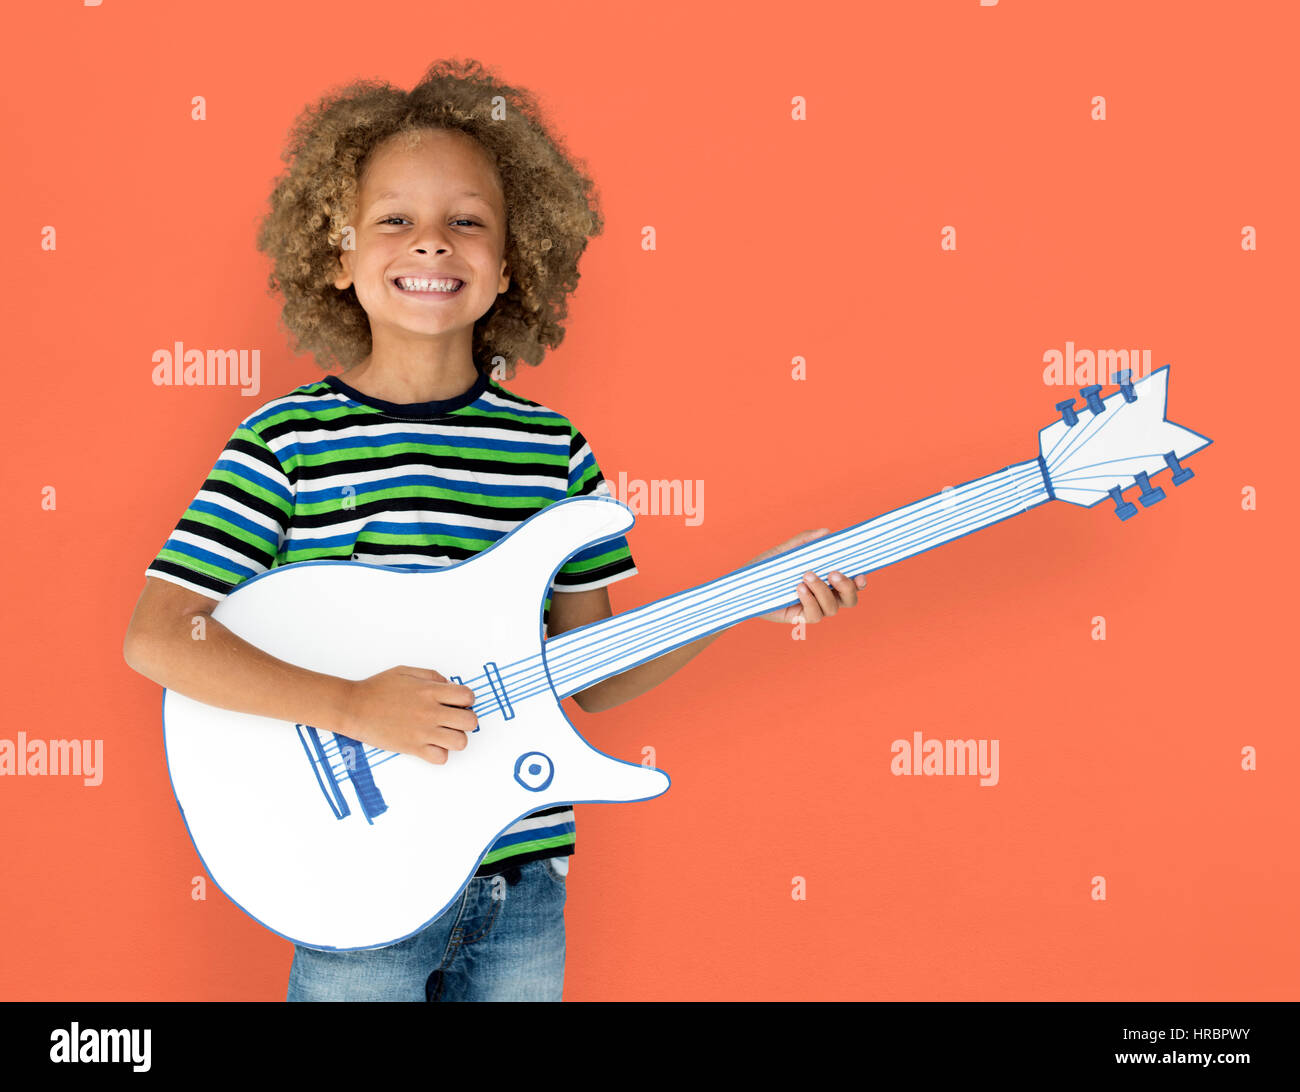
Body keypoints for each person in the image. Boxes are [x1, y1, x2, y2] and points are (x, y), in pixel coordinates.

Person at [122, 58, 867, 1002]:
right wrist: (352, 708)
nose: (432, 244)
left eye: (466, 221)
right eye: (396, 220)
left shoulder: (554, 453)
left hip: (523, 889)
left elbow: (587, 673)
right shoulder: (286, 442)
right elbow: (158, 635)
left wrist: (747, 597)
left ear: (512, 262)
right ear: (339, 256)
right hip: (359, 887)